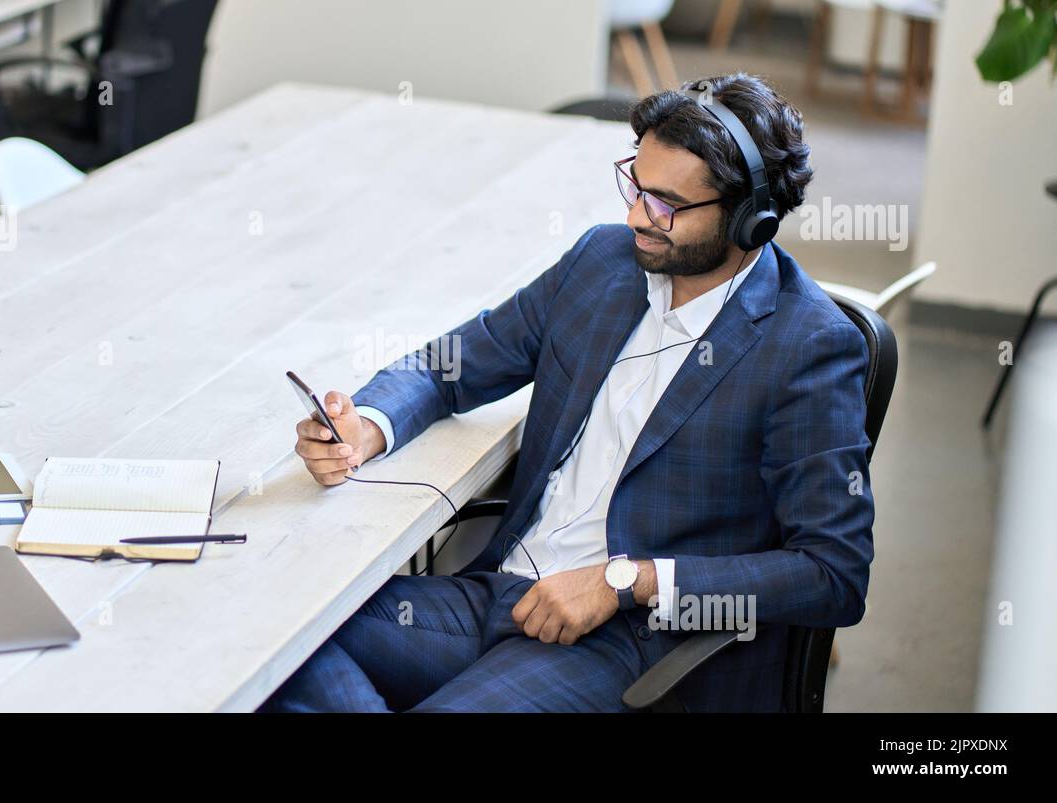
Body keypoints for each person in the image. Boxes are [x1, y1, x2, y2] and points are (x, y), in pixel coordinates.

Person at [261, 73, 873, 712]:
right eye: (635, 186)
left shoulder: (807, 346)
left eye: (666, 204)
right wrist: (367, 423)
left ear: (750, 220)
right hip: (502, 594)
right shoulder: (603, 263)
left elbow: (833, 573)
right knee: (277, 647)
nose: (637, 216)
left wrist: (625, 582)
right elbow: (454, 362)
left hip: (625, 640)